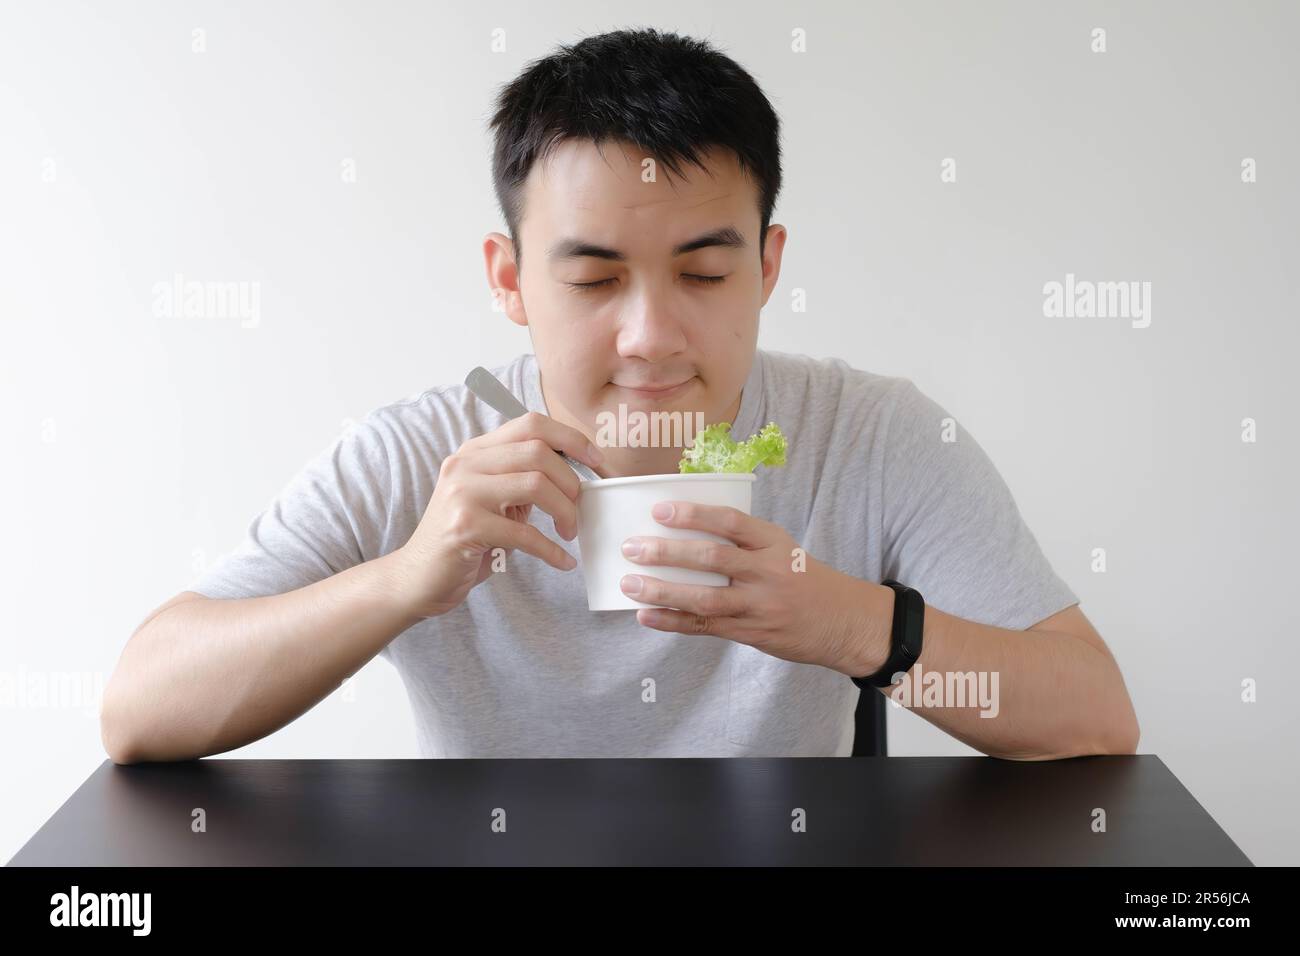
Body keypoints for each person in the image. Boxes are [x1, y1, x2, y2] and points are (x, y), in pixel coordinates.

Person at [101, 27, 1138, 764]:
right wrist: (410, 576)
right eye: (593, 279)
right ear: (509, 280)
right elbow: (140, 708)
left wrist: (851, 624)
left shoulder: (870, 434)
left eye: (703, 272)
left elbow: (1094, 716)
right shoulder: (424, 454)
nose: (649, 335)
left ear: (768, 267)